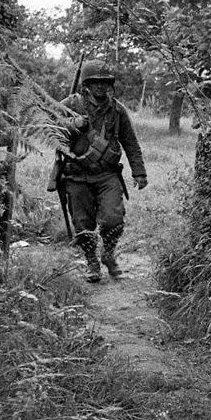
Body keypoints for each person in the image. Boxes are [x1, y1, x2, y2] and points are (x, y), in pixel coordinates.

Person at [54, 62, 147, 283]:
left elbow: (130, 142)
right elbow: (50, 129)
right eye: (96, 82)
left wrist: (139, 172)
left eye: (105, 82)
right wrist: (71, 124)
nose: (101, 87)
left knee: (114, 218)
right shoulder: (70, 105)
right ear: (86, 85)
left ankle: (108, 253)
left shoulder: (117, 110)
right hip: (76, 175)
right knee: (83, 224)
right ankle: (92, 262)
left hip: (107, 174)